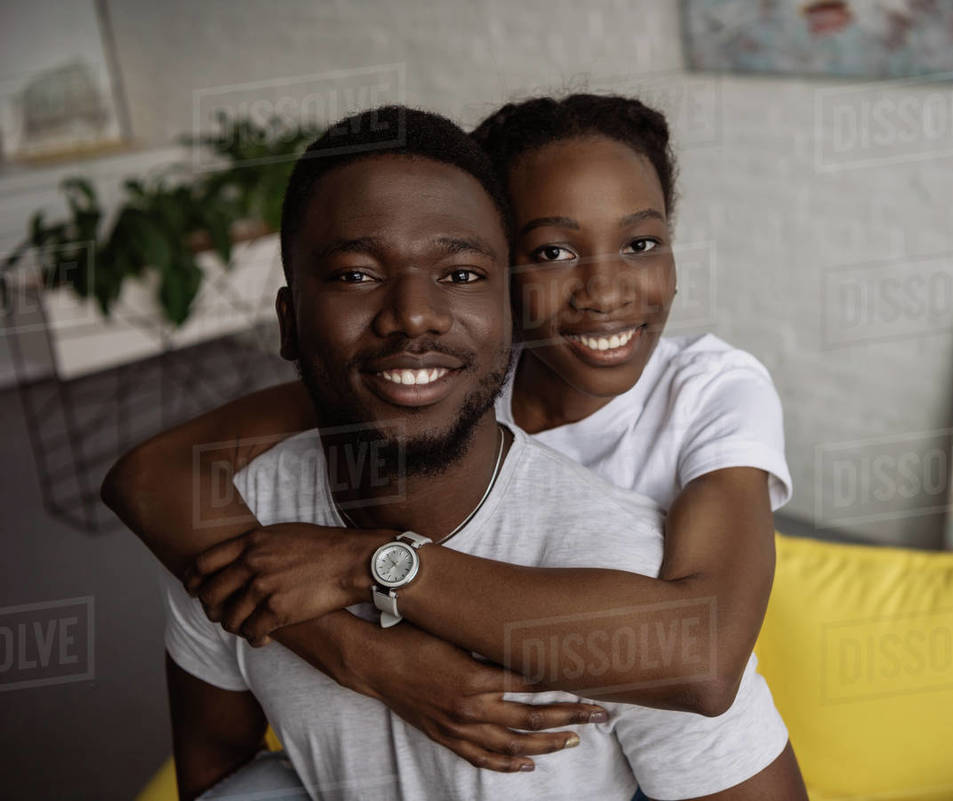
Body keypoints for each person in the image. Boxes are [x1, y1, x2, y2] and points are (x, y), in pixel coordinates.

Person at [104, 98, 798, 792]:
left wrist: (368, 564)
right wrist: (366, 655)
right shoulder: (419, 383)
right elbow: (153, 473)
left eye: (641, 243)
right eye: (552, 252)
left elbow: (702, 657)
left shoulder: (707, 394)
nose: (606, 289)